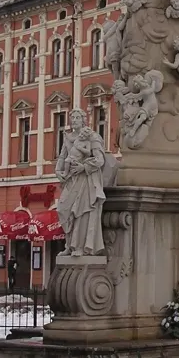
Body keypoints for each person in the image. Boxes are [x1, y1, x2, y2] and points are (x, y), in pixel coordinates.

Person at [56, 109, 107, 256]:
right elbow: (62, 157)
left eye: (77, 117)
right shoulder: (68, 138)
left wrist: (84, 167)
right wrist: (58, 171)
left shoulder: (92, 137)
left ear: (84, 120)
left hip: (86, 179)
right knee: (63, 209)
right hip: (71, 178)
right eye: (72, 117)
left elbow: (100, 160)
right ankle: (69, 244)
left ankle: (78, 247)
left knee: (80, 212)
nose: (74, 120)